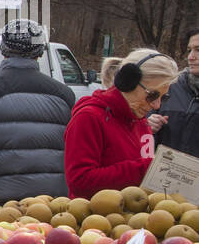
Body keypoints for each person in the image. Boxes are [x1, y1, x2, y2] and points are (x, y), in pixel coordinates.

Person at [0, 19, 75, 204]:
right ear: (40, 52)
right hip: (54, 204)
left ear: (3, 49)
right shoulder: (64, 95)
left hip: (0, 205)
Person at [64, 48, 179, 199]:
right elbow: (80, 182)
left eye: (163, 98)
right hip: (95, 220)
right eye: (152, 95)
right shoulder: (89, 118)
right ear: (128, 82)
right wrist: (146, 170)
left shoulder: (141, 121)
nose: (157, 105)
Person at [154, 28, 199, 158]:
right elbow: (136, 134)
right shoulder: (167, 87)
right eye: (190, 50)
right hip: (162, 174)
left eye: (198, 50)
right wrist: (148, 126)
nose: (191, 57)